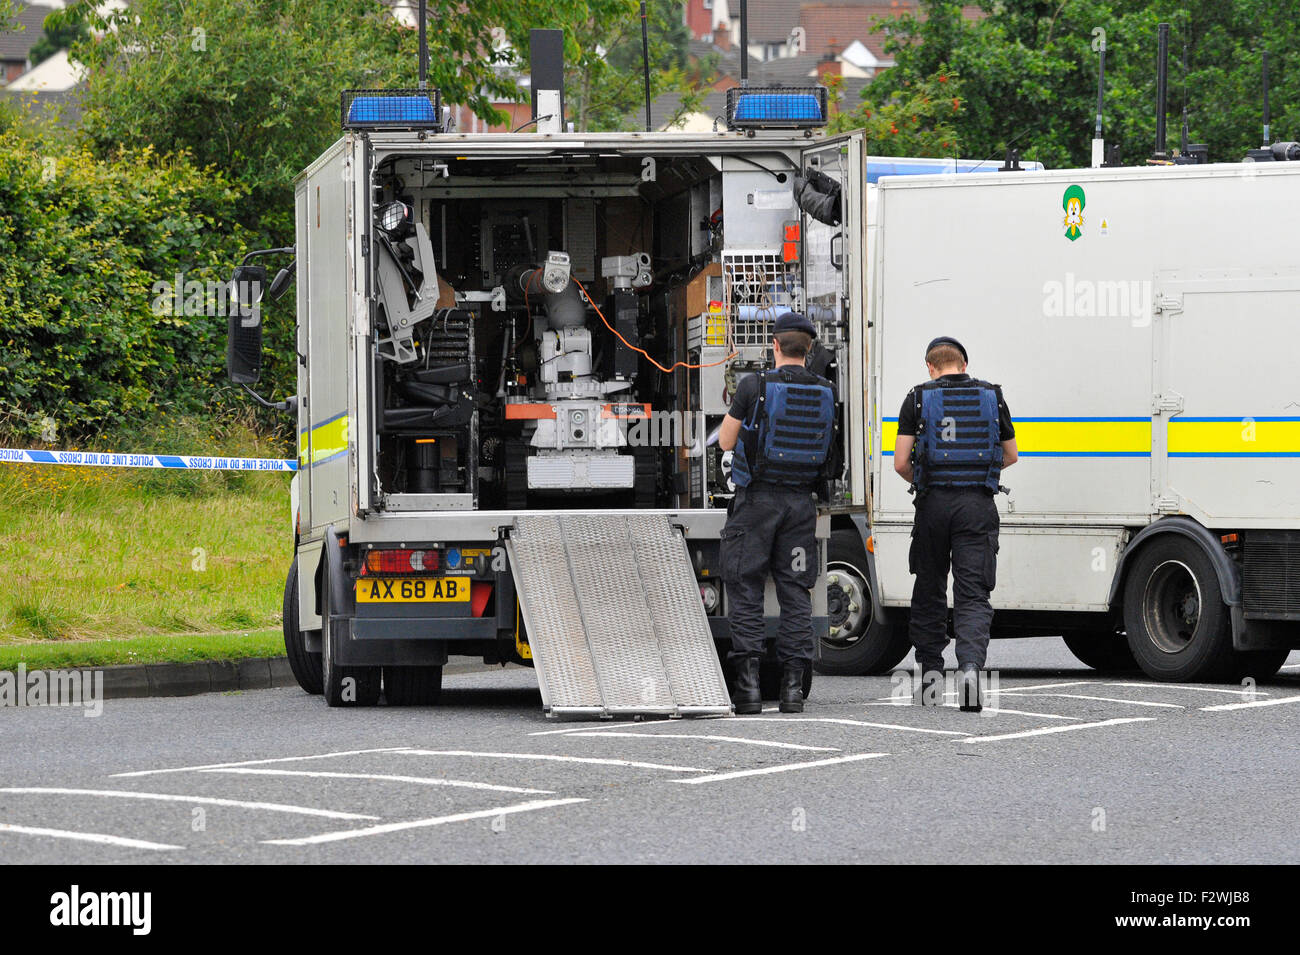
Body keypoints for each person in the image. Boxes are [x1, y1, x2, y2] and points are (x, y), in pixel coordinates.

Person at [718, 312, 838, 714]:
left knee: (746, 589)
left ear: (774, 346)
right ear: (809, 350)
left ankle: (749, 691)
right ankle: (792, 691)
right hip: (801, 506)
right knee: (795, 592)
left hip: (756, 505)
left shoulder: (755, 385)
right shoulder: (825, 390)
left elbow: (726, 442)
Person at [892, 337, 1018, 712]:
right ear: (963, 365)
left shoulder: (917, 398)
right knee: (973, 593)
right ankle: (970, 671)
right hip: (977, 506)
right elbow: (1011, 455)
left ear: (931, 367)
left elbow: (900, 462)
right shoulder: (992, 396)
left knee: (929, 588)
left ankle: (930, 680)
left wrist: (926, 479)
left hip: (933, 506)